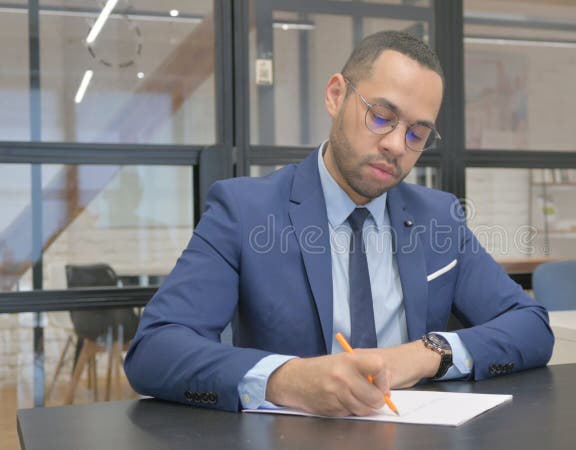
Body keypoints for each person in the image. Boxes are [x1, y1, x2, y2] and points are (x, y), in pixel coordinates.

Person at [124, 30, 553, 416]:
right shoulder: (245, 210)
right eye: (381, 116)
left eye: (417, 134)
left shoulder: (437, 217)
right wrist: (286, 379)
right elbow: (155, 349)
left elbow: (531, 326)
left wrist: (425, 354)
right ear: (335, 95)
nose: (394, 145)